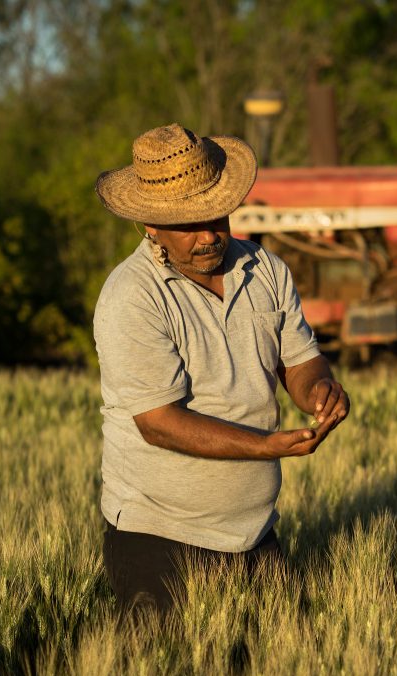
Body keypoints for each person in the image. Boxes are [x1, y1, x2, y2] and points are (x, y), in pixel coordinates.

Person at [92, 123, 349, 614]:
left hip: (255, 535)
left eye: (217, 217)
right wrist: (264, 447)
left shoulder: (265, 269)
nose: (209, 236)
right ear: (149, 225)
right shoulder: (132, 296)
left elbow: (299, 361)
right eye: (189, 225)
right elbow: (159, 425)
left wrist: (320, 391)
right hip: (160, 537)